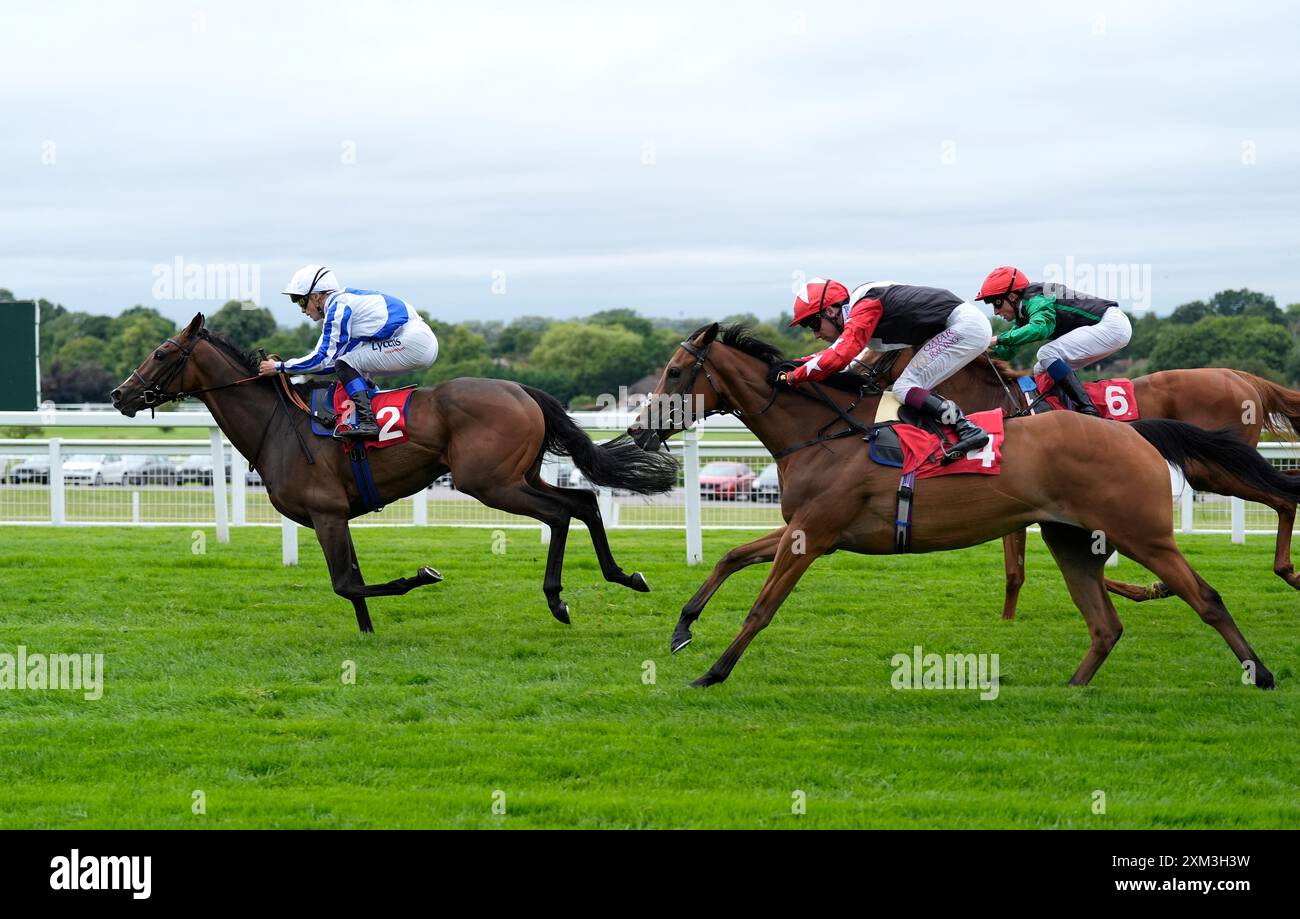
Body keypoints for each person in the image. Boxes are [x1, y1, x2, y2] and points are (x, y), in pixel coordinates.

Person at [778, 277, 992, 460]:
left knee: (905, 387)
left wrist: (792, 377)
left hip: (963, 327)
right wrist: (793, 365)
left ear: (830, 310)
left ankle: (967, 429)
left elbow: (839, 357)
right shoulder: (859, 311)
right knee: (909, 388)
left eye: (813, 324)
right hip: (962, 327)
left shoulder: (865, 306)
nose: (816, 335)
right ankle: (942, 436)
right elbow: (832, 355)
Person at [258, 265, 439, 438]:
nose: (302, 310)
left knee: (346, 364)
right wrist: (288, 371)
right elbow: (330, 364)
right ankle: (373, 411)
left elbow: (321, 359)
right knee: (349, 365)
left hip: (413, 341)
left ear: (316, 296)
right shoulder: (344, 304)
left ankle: (367, 421)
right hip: (417, 340)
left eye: (302, 301)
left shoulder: (338, 307)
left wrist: (280, 367)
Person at [976, 266, 1132, 416]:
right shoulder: (1025, 310)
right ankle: (1067, 410)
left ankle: (1088, 409)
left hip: (1111, 325)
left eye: (997, 303)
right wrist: (978, 354)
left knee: (1046, 353)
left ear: (1012, 296)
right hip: (1109, 327)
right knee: (1041, 369)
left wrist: (997, 339)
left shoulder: (1036, 298)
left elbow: (1039, 328)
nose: (996, 312)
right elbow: (1008, 352)